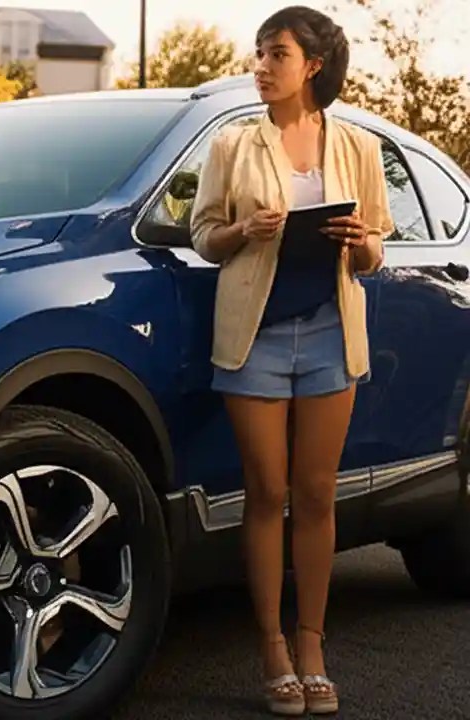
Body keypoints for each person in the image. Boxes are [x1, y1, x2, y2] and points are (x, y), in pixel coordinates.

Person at [190, 5, 395, 717]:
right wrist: (246, 228)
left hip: (332, 337)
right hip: (255, 339)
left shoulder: (358, 148)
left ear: (312, 63)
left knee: (315, 495)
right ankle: (272, 647)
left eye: (276, 54)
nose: (261, 67)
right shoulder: (232, 144)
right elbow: (205, 238)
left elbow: (375, 254)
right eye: (257, 54)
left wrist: (356, 236)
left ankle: (312, 645)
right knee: (266, 491)